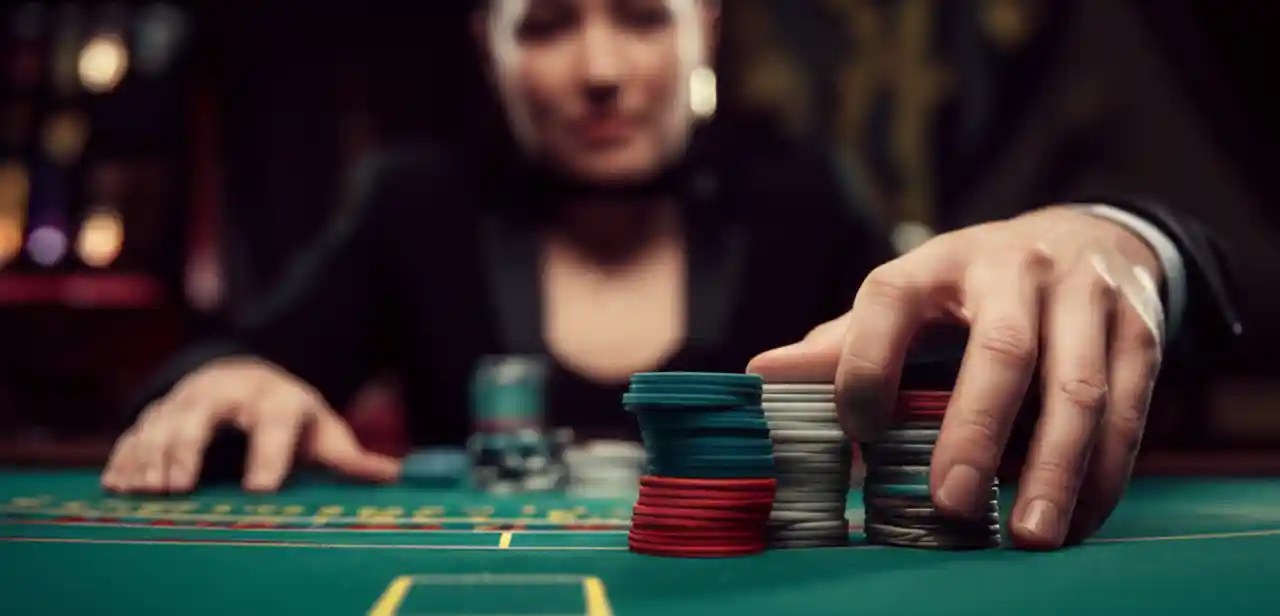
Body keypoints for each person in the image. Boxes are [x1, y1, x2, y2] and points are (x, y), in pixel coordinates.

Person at [102, 0, 1239, 551]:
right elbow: (230, 363)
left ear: (701, 35)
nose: (599, 70)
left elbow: (1001, 345)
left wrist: (1124, 239)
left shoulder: (799, 193)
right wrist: (227, 379)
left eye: (641, 18)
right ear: (487, 53)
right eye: (545, 26)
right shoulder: (417, 204)